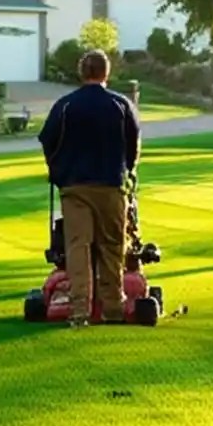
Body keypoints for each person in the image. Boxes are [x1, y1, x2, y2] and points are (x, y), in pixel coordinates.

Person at [38, 49, 141, 328]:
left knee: (78, 245)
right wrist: (128, 169)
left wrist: (57, 171)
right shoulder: (120, 105)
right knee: (112, 245)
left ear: (81, 72)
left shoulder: (66, 105)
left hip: (75, 186)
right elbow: (133, 143)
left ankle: (80, 308)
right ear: (107, 72)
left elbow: (48, 140)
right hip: (111, 184)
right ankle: (113, 307)